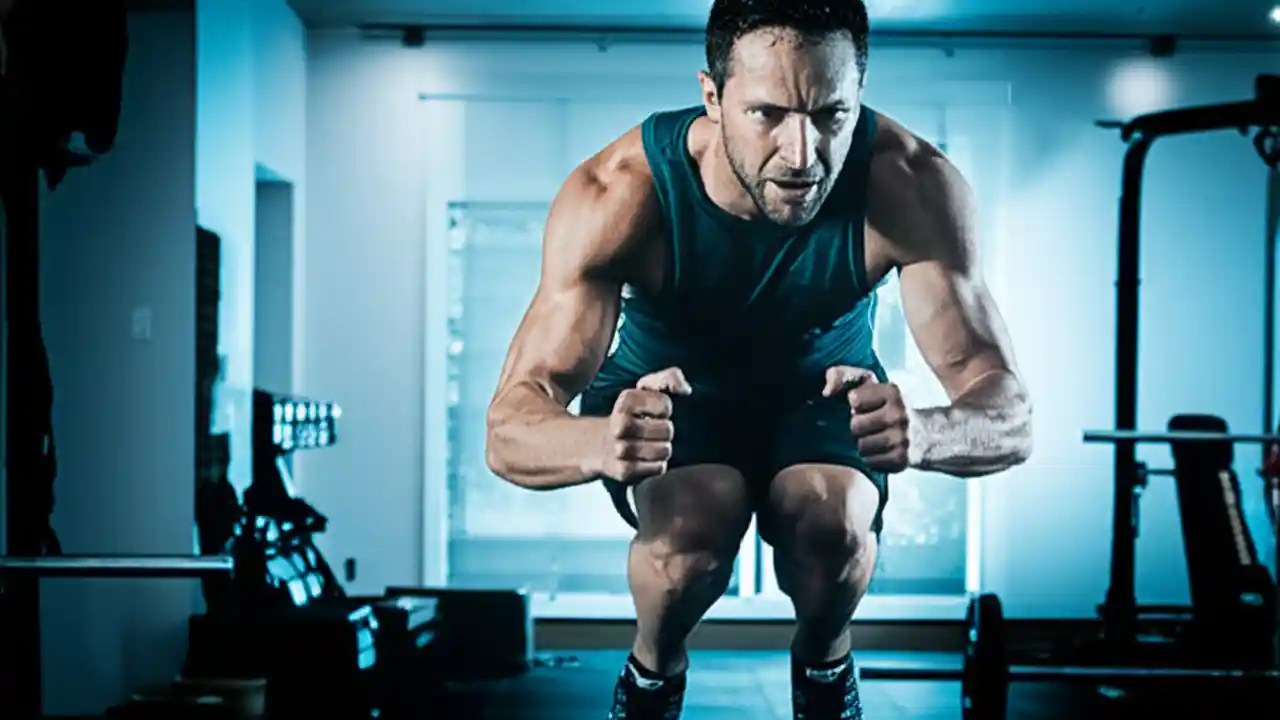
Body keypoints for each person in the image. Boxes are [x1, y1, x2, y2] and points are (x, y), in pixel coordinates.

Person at [484, 0, 1034, 717]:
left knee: (831, 525)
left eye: (831, 115)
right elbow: (509, 427)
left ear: (859, 95)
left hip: (820, 399)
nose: (803, 154)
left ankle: (824, 669)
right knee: (688, 542)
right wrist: (598, 441)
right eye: (768, 114)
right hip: (673, 404)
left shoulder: (912, 185)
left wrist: (926, 432)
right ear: (713, 98)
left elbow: (1010, 413)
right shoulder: (618, 195)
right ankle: (653, 674)